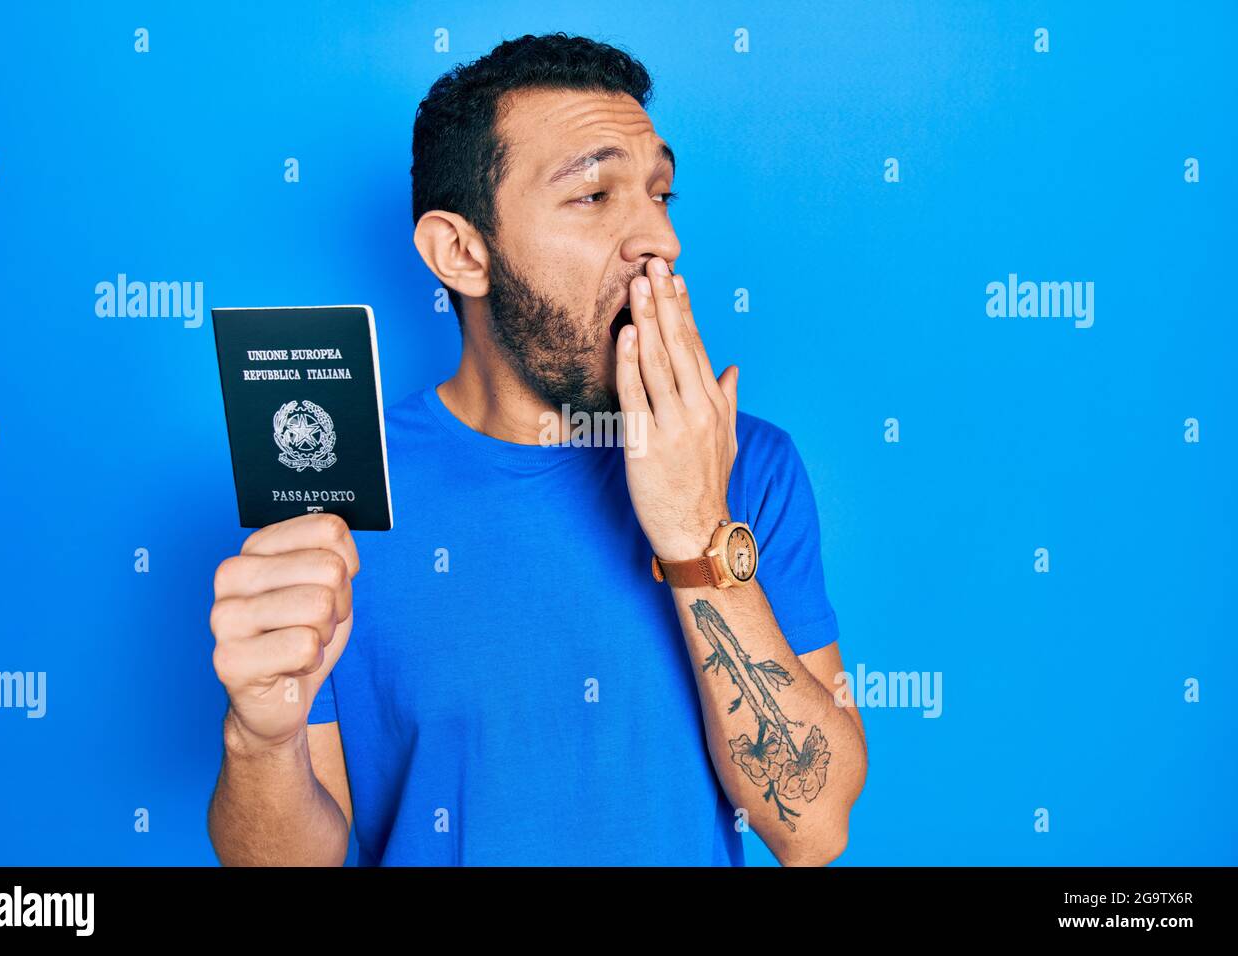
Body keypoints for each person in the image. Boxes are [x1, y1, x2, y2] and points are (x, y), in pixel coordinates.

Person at [207, 32, 867, 866]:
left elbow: (811, 831)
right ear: (462, 252)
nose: (659, 241)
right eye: (594, 196)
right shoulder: (337, 491)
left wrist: (698, 530)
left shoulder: (748, 464)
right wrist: (259, 741)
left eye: (660, 194)